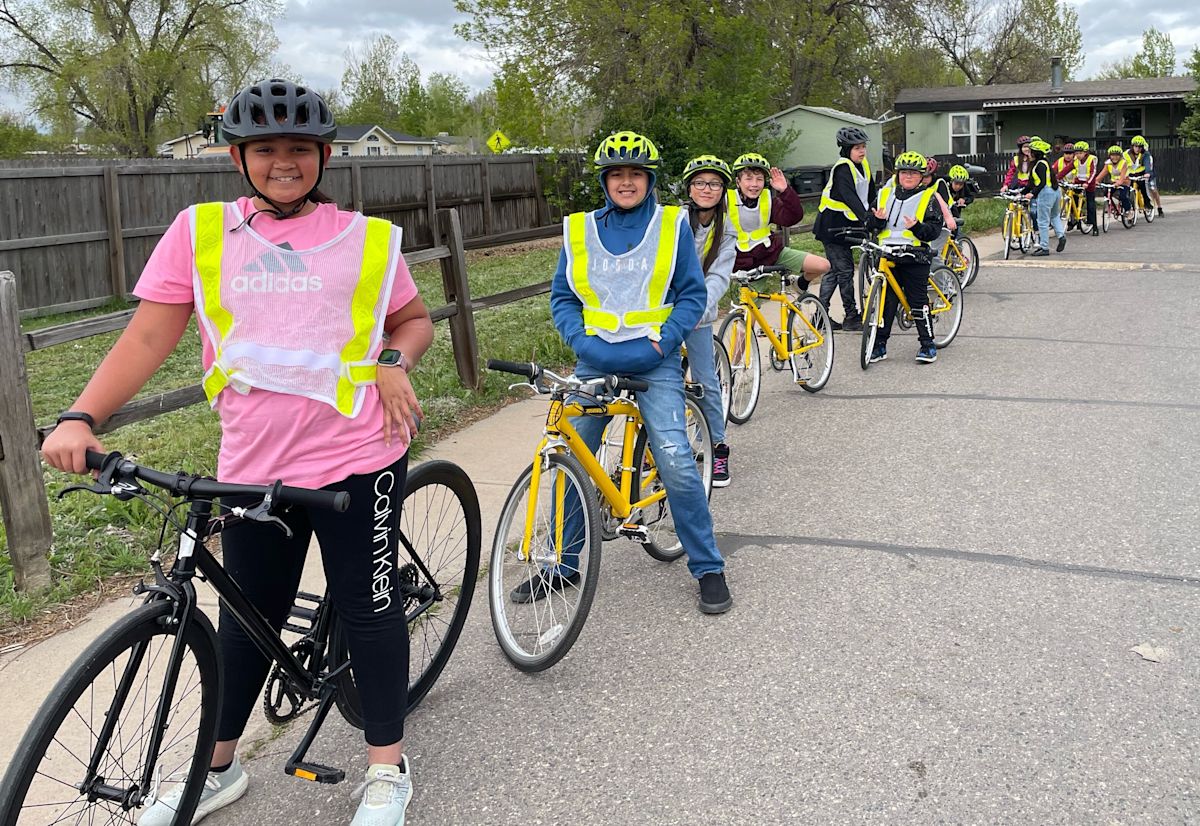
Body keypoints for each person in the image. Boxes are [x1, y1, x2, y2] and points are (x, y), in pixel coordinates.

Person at [40, 79, 432, 826]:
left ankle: (387, 768)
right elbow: (149, 336)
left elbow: (412, 321)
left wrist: (392, 359)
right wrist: (81, 415)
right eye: (266, 150)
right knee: (249, 617)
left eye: (299, 149)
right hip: (252, 466)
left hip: (360, 457)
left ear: (323, 156)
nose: (283, 163)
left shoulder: (367, 238)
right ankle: (216, 771)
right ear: (237, 157)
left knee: (370, 608)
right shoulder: (200, 232)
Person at [547, 130, 732, 614]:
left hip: (656, 361)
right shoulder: (580, 229)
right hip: (594, 359)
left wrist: (664, 340)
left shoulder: (672, 226)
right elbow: (563, 298)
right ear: (605, 180)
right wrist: (580, 341)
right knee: (573, 454)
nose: (625, 182)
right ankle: (563, 562)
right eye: (617, 174)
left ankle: (708, 567)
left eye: (635, 174)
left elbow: (692, 294)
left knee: (673, 459)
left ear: (650, 180)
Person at [680, 154, 737, 486]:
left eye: (714, 183)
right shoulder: (672, 221)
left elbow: (718, 277)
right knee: (665, 383)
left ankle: (717, 448)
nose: (706, 189)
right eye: (700, 182)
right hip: (664, 315)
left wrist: (696, 308)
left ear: (722, 190)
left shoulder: (726, 229)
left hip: (698, 314)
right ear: (689, 188)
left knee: (704, 382)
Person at [864, 150, 943, 364]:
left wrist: (917, 227)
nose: (908, 176)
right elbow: (868, 223)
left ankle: (928, 345)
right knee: (886, 302)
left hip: (914, 256)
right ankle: (879, 345)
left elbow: (934, 231)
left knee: (917, 300)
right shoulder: (883, 195)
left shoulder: (928, 197)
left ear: (921, 176)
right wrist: (877, 221)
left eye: (914, 173)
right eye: (904, 172)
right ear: (898, 174)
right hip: (887, 256)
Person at [727, 152, 830, 286]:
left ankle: (799, 283)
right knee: (749, 306)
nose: (754, 184)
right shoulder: (726, 200)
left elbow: (793, 217)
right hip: (742, 263)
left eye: (759, 179)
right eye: (748, 179)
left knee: (823, 265)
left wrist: (785, 190)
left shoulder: (767, 199)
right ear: (738, 182)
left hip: (770, 253)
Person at [813, 126, 876, 332]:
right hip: (832, 226)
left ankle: (819, 317)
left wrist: (875, 213)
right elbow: (850, 198)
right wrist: (866, 219)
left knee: (834, 271)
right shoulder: (842, 168)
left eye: (863, 147)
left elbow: (870, 194)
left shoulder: (863, 165)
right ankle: (851, 316)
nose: (862, 151)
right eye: (857, 148)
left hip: (848, 225)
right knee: (845, 271)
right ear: (846, 149)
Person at [1023, 138, 1066, 256]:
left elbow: (1040, 183)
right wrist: (1022, 192)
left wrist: (1033, 194)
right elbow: (1031, 183)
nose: (1028, 153)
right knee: (1055, 215)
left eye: (1031, 151)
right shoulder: (1043, 163)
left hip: (1045, 193)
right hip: (1055, 191)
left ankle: (1044, 247)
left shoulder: (1039, 165)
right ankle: (1061, 236)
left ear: (1036, 153)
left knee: (1042, 221)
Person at [1127, 135, 1163, 216]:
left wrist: (1148, 173)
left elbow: (1148, 164)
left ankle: (1159, 207)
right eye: (1135, 146)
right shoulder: (1127, 154)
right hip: (1133, 174)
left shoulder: (1146, 155)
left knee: (1153, 189)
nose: (1137, 149)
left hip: (1146, 174)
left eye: (1139, 147)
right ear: (1132, 146)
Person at [1095, 144, 1132, 216]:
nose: (1115, 157)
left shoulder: (1123, 163)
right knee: (1106, 193)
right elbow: (1102, 173)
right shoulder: (1108, 163)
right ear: (1109, 156)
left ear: (1120, 156)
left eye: (1117, 155)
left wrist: (1120, 182)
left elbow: (1122, 176)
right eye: (1113, 155)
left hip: (1124, 182)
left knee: (1123, 196)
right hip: (1113, 182)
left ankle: (1128, 210)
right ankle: (1112, 207)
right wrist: (1096, 181)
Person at [1071, 140, 1100, 235]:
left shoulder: (1092, 159)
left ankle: (1094, 226)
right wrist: (1056, 178)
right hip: (1079, 182)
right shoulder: (1076, 160)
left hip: (1089, 183)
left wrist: (1087, 182)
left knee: (1090, 204)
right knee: (1073, 199)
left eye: (1080, 153)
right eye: (1076, 153)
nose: (1078, 155)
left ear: (1086, 152)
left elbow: (1093, 173)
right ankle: (1074, 220)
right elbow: (1067, 169)